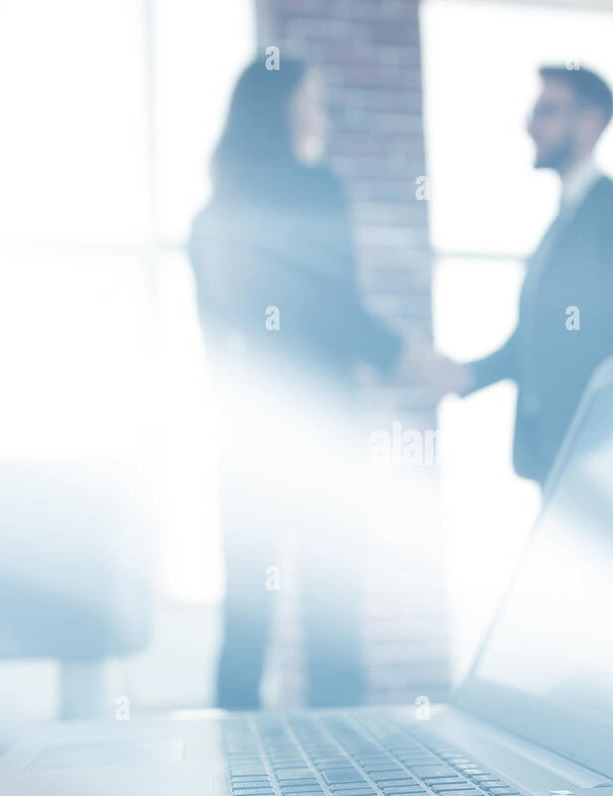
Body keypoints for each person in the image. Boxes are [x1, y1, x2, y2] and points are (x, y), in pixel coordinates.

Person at [188, 56, 440, 710]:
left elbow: (218, 351)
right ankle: (338, 776)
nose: (319, 116)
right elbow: (335, 308)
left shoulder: (209, 218)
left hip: (244, 443)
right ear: (282, 108)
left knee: (246, 621)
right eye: (312, 101)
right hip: (320, 436)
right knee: (333, 615)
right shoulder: (315, 189)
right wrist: (409, 358)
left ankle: (235, 773)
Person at [432, 66, 613, 487]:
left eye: (545, 110)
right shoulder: (558, 227)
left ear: (590, 120)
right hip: (555, 462)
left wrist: (603, 450)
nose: (529, 124)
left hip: (602, 463)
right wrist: (466, 375)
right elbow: (534, 337)